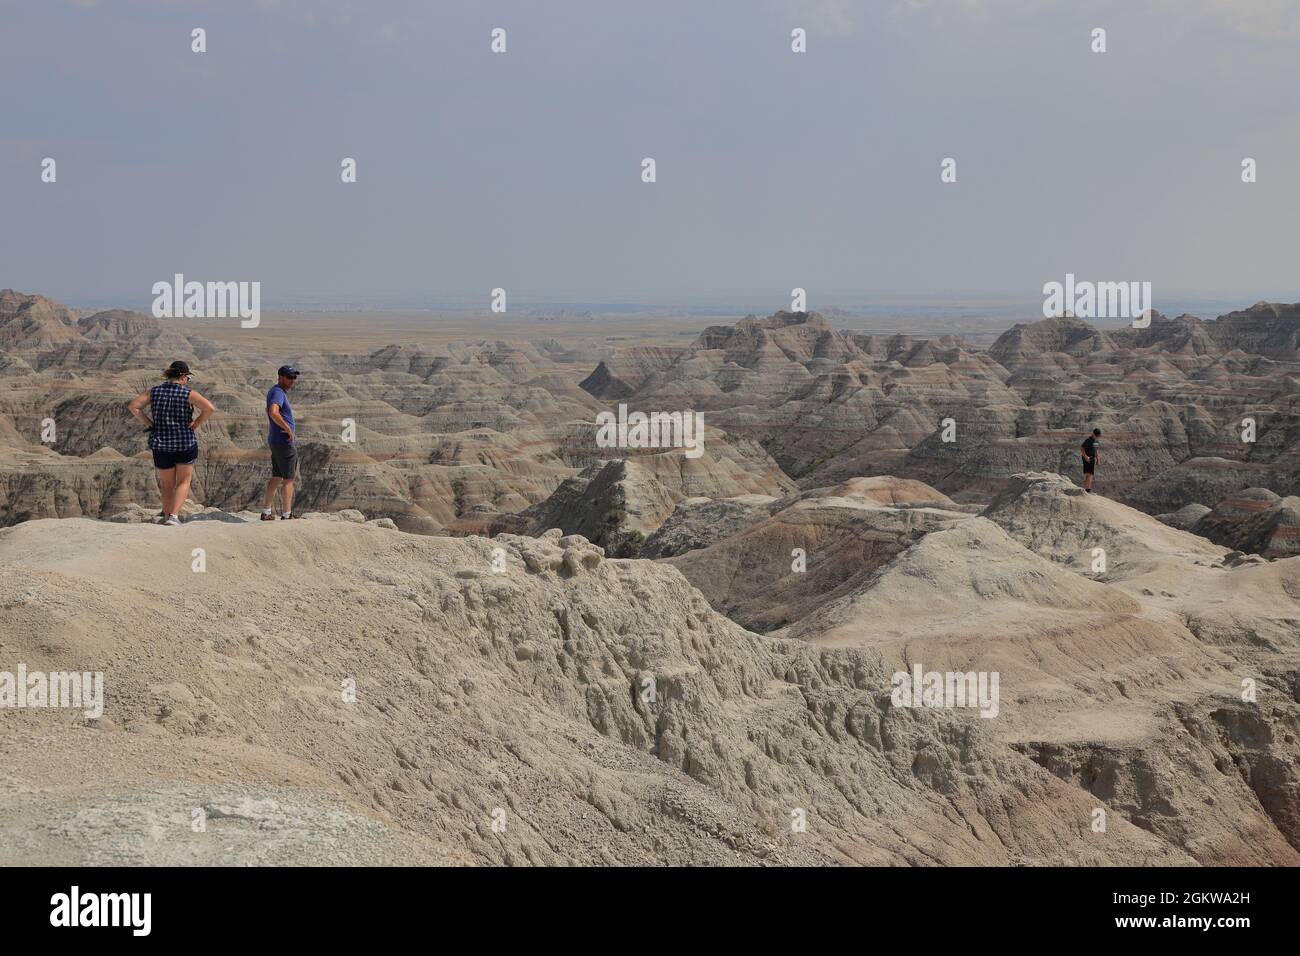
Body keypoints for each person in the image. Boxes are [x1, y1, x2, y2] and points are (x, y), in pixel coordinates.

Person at [127, 360, 216, 525]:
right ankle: (174, 516)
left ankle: (167, 515)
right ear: (182, 376)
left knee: (167, 484)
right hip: (184, 442)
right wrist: (195, 424)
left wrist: (149, 424)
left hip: (161, 443)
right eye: (188, 377)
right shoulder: (187, 393)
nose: (188, 380)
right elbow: (209, 408)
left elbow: (133, 406)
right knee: (183, 481)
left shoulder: (154, 392)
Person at [261, 364, 301, 520]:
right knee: (289, 479)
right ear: (280, 377)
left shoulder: (275, 391)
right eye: (289, 377)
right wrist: (288, 429)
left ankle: (266, 512)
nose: (292, 381)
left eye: (294, 378)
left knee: (276, 476)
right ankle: (287, 514)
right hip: (283, 442)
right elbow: (273, 411)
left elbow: (270, 411)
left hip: (275, 440)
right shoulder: (278, 392)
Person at [1080, 427, 1101, 493]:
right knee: (1090, 474)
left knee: (1089, 474)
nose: (1097, 437)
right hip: (1087, 458)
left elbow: (1096, 450)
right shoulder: (1088, 440)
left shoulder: (1096, 441)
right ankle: (1088, 490)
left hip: (1092, 458)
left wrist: (1098, 459)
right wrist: (1086, 457)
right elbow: (1082, 448)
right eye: (1096, 436)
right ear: (1093, 434)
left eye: (1098, 436)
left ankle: (1086, 488)